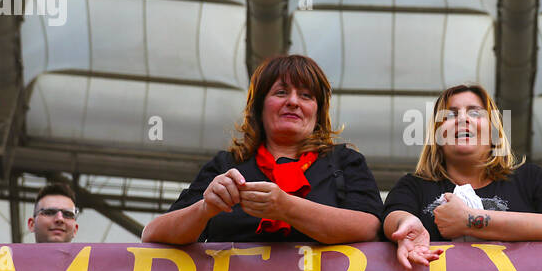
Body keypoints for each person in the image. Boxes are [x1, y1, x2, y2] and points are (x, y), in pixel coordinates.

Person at [142, 54, 383, 244]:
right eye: (281, 92)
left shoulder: (344, 161)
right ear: (259, 107)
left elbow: (371, 228)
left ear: (318, 112)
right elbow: (153, 234)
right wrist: (205, 208)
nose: (293, 102)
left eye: (306, 95)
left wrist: (287, 208)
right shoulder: (227, 164)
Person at [383, 84, 542, 269]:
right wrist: (405, 224)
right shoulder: (414, 185)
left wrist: (468, 220)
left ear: (494, 132)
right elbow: (394, 215)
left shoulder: (530, 178)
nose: (462, 119)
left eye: (475, 112)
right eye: (450, 115)